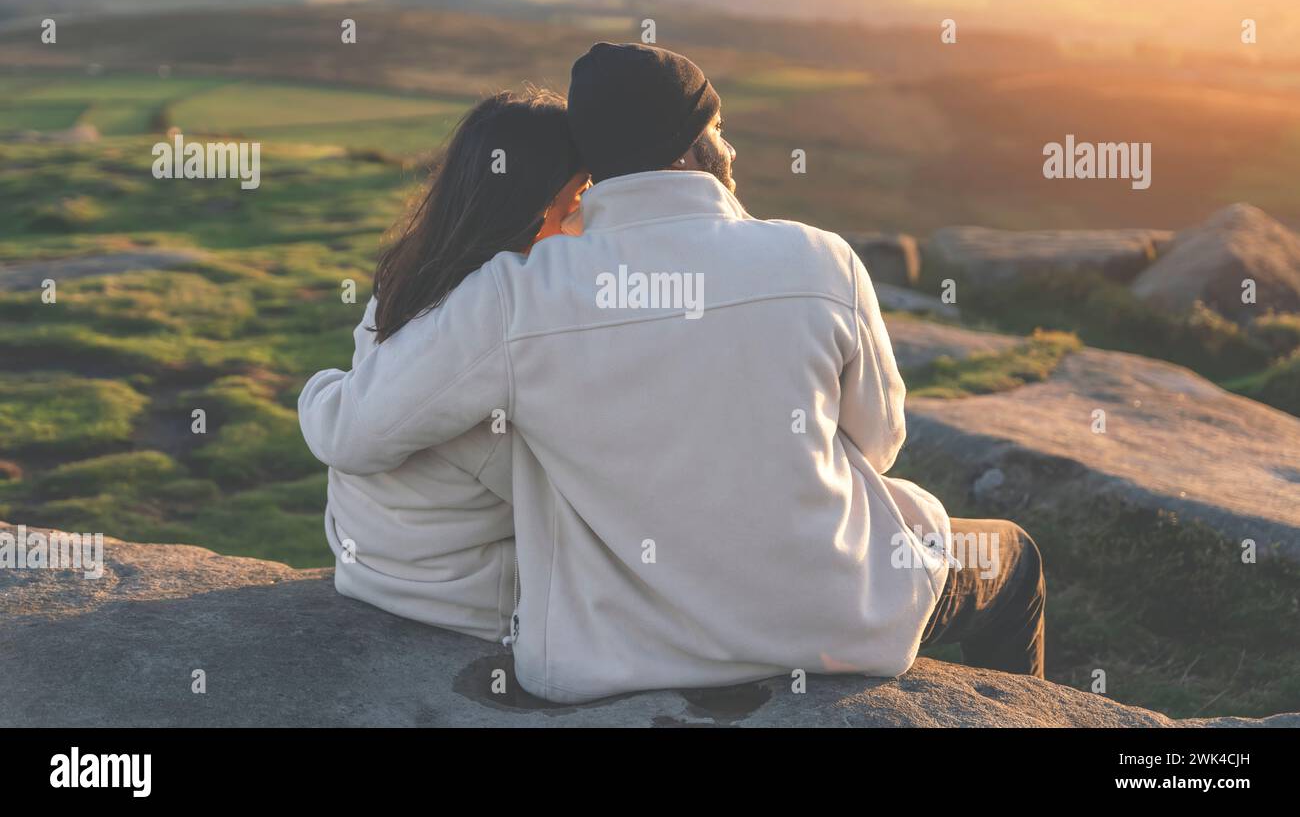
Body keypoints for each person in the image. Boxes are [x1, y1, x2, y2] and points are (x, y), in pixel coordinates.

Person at [299, 43, 1044, 703]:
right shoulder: (820, 259)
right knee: (1014, 560)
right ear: (695, 147)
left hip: (620, 651)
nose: (730, 144)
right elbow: (878, 444)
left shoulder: (512, 293)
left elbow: (361, 428)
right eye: (718, 129)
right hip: (837, 618)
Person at [309, 86, 587, 643]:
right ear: (533, 204)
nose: (590, 217)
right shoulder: (499, 314)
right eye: (579, 198)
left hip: (375, 568)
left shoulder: (415, 277)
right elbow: (574, 494)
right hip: (461, 597)